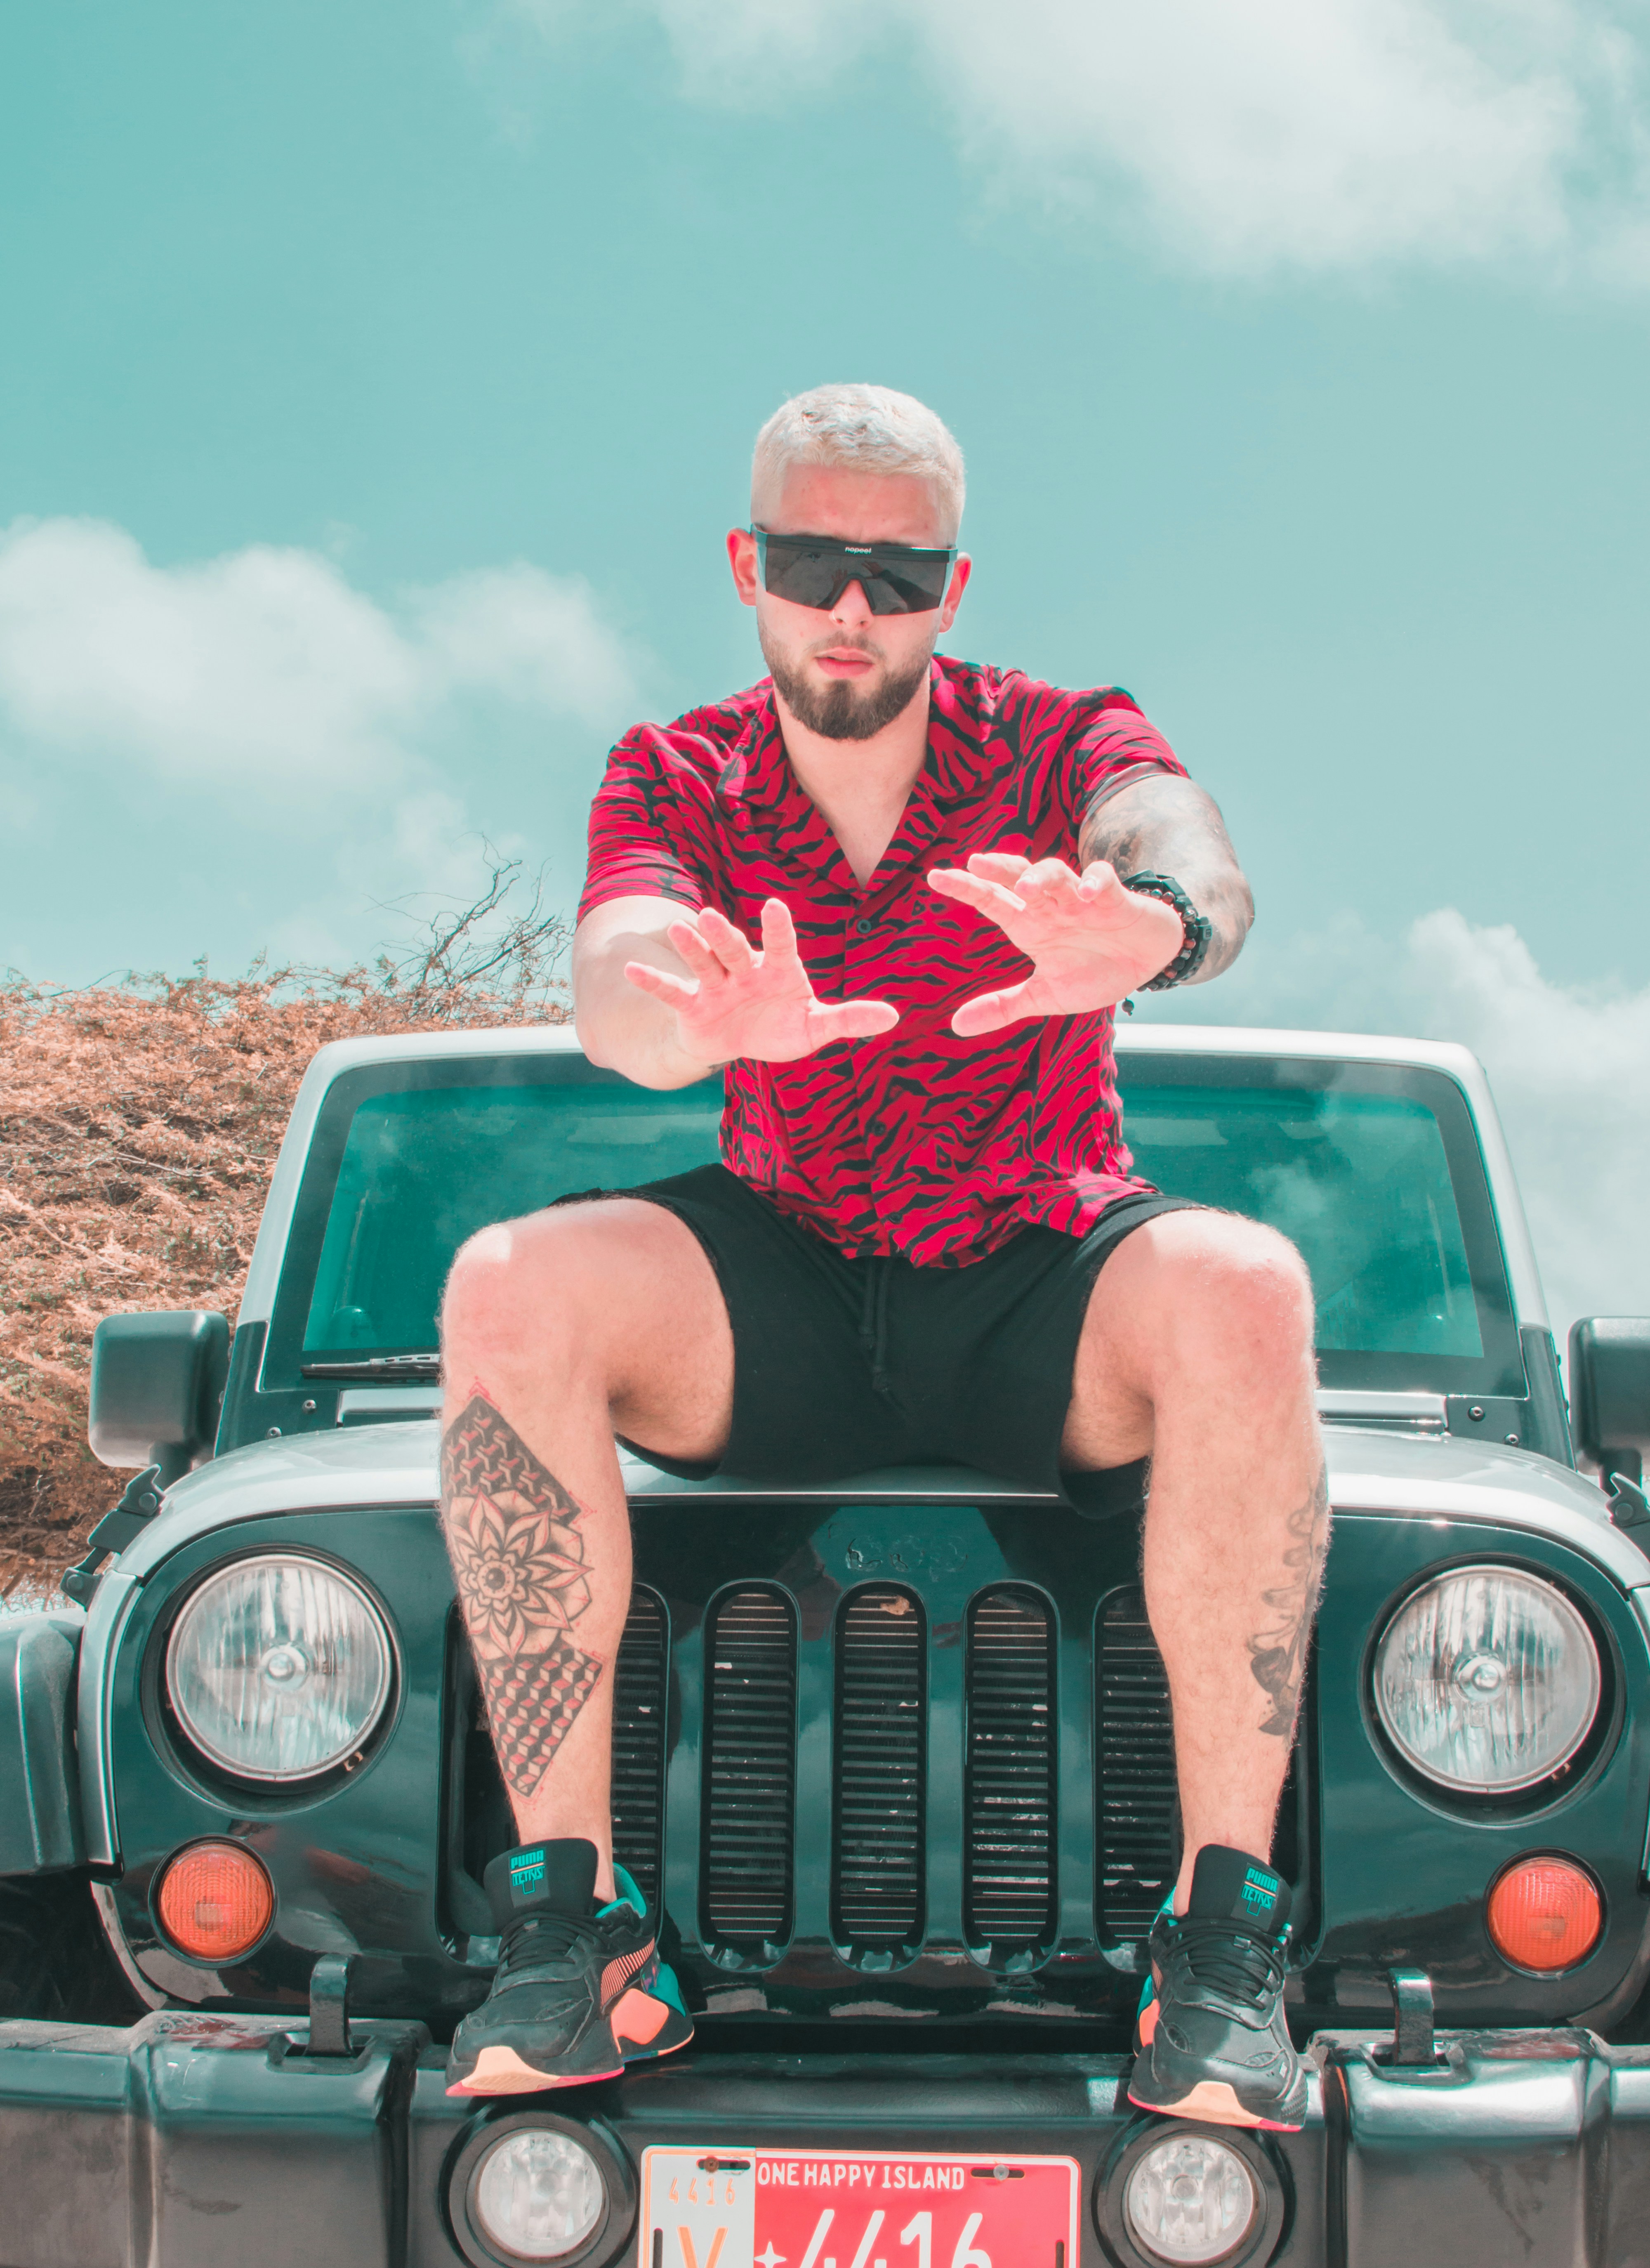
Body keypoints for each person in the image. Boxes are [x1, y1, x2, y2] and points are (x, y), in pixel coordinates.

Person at [438, 383, 1328, 2131]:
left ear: (953, 587)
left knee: (1250, 1287)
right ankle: (573, 1934)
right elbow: (617, 974)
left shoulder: (1060, 736)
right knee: (503, 1283)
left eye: (899, 574)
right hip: (780, 1271)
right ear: (745, 566)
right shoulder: (677, 772)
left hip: (1032, 1259)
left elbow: (1182, 838)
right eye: (812, 564)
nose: (853, 606)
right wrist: (696, 1022)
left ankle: (1221, 1955)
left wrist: (1154, 929)